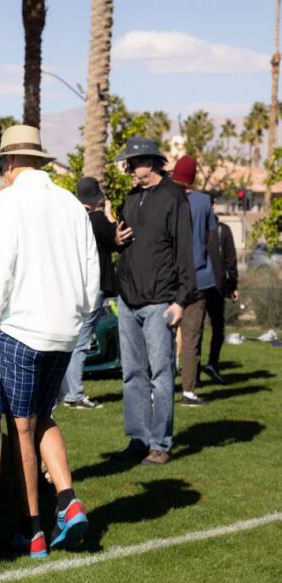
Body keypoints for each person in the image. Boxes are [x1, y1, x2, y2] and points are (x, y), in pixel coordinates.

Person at [0, 124, 100, 558]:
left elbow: (1, 266)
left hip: (21, 327)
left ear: (10, 163)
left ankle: (33, 529)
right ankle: (67, 501)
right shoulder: (70, 202)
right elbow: (91, 271)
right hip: (64, 328)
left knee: (22, 425)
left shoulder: (11, 201)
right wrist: (81, 311)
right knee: (43, 415)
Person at [113, 137, 195, 465]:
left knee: (161, 373)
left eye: (133, 164)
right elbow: (121, 239)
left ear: (151, 163)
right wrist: (117, 240)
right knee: (132, 373)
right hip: (128, 300)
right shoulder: (131, 199)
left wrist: (180, 300)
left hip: (161, 300)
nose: (130, 169)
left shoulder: (174, 198)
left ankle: (160, 444)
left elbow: (185, 251)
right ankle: (138, 439)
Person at [59, 176, 119, 410]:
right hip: (94, 284)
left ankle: (68, 390)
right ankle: (74, 393)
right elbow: (116, 239)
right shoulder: (95, 219)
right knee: (83, 341)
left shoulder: (71, 219)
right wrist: (109, 212)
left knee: (75, 338)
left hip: (75, 285)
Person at [170, 155, 217, 406]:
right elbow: (211, 238)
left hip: (171, 278)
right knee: (192, 337)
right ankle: (189, 391)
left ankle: (161, 389)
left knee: (164, 337)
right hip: (199, 278)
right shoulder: (203, 201)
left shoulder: (166, 198)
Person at [203, 217, 239, 383]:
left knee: (194, 331)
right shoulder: (222, 230)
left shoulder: (193, 227)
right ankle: (212, 363)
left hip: (197, 286)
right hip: (216, 287)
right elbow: (230, 259)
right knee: (218, 328)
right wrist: (233, 285)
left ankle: (194, 372)